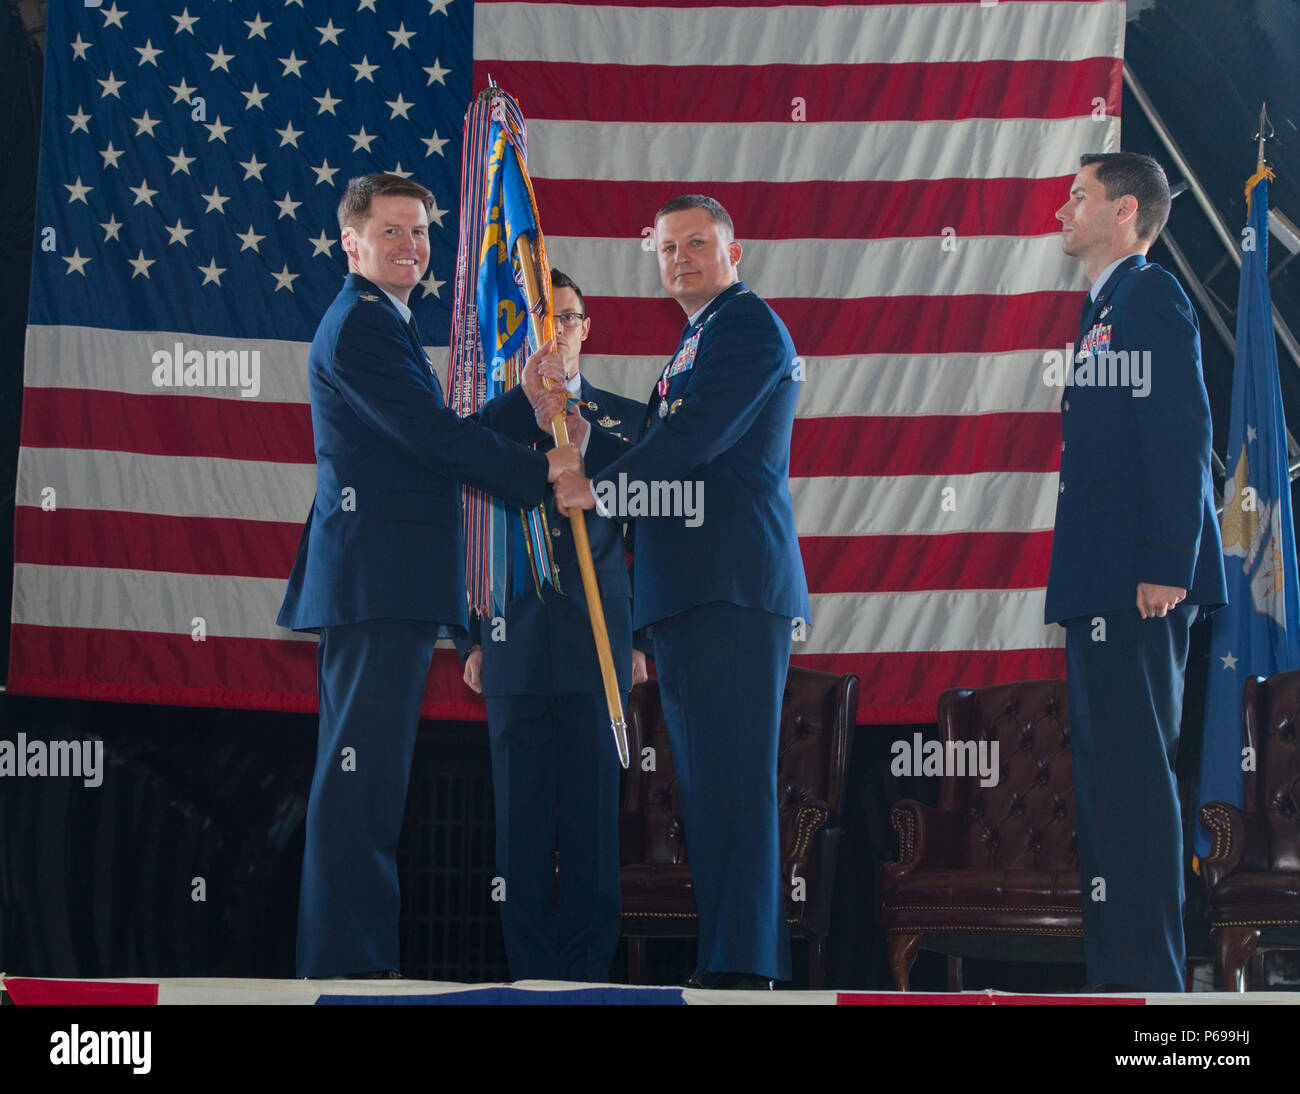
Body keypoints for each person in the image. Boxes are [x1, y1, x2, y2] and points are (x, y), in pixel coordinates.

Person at [277, 173, 581, 979]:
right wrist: (542, 466)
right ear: (350, 241)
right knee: (360, 788)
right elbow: (432, 442)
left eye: (419, 232)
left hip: (383, 583)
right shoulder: (364, 327)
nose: (410, 246)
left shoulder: (382, 322)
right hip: (377, 582)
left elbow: (431, 438)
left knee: (369, 785)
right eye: (391, 231)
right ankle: (347, 971)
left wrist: (518, 403)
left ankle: (351, 965)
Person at [554, 195, 810, 989]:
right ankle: (733, 961)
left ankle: (746, 969)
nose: (681, 259)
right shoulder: (697, 340)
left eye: (698, 243)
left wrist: (596, 490)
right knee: (708, 788)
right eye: (667, 249)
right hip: (694, 591)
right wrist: (581, 415)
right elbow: (664, 435)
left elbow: (693, 440)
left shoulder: (745, 327)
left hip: (728, 586)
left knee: (731, 785)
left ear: (736, 253)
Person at [1048, 152, 1227, 992]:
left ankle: (1151, 981)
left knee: (1138, 782)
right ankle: (1115, 975)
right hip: (1100, 582)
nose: (1063, 208)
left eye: (1078, 196)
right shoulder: (1101, 309)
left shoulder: (1151, 296)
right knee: (1109, 785)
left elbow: (1182, 434)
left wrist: (1166, 563)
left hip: (1138, 584)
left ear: (1125, 212)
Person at [459, 268, 647, 982]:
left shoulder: (628, 422)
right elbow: (465, 534)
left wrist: (642, 642)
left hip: (600, 650)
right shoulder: (490, 426)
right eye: (543, 321)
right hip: (513, 647)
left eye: (567, 319)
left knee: (595, 829)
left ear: (585, 328)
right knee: (522, 833)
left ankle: (588, 982)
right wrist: (468, 637)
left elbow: (651, 538)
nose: (557, 333)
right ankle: (532, 982)